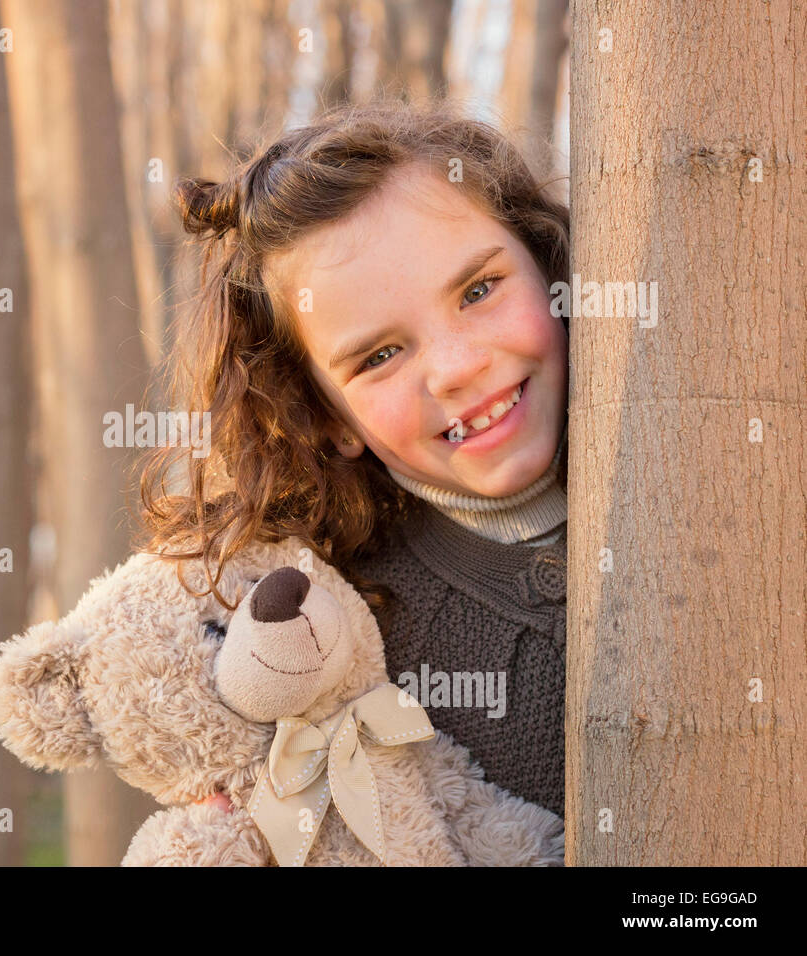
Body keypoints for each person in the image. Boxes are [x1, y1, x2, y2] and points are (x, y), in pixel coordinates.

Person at [134, 99, 569, 822]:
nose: (459, 368)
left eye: (479, 290)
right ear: (327, 418)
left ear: (544, 259)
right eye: (381, 355)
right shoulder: (345, 648)